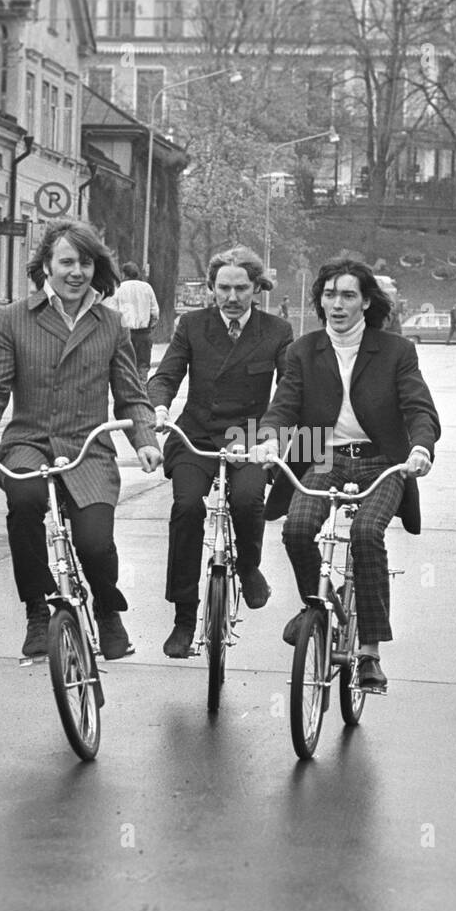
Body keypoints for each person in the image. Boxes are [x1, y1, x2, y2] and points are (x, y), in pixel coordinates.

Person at [0, 219, 161, 661]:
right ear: (45, 267)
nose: (77, 272)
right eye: (66, 261)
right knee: (26, 499)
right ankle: (36, 610)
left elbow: (130, 394)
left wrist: (144, 439)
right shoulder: (13, 318)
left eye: (85, 263)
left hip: (89, 449)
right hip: (29, 442)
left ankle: (108, 612)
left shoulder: (110, 323)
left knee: (94, 544)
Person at [254, 259, 440, 693]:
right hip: (321, 455)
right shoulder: (303, 350)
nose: (337, 304)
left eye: (348, 295)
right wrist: (268, 439)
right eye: (330, 295)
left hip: (383, 459)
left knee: (366, 533)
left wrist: (420, 448)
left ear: (366, 301)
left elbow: (418, 407)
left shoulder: (396, 350)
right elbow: (284, 405)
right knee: (297, 528)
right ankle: (313, 605)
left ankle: (370, 650)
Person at [147, 245, 293, 658]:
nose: (232, 297)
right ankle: (184, 615)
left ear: (256, 288)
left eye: (241, 288)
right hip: (196, 434)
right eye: (224, 288)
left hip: (248, 436)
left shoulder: (277, 331)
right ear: (211, 287)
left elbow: (289, 389)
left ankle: (248, 567)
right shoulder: (192, 326)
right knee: (187, 507)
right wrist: (158, 406)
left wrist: (272, 435)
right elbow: (167, 374)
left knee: (248, 500)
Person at [113, 260, 159, 379]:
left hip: (125, 335)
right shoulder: (147, 288)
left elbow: (113, 312)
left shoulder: (119, 289)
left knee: (126, 366)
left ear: (124, 274)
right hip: (144, 334)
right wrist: (150, 327)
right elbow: (155, 312)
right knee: (142, 366)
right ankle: (142, 391)